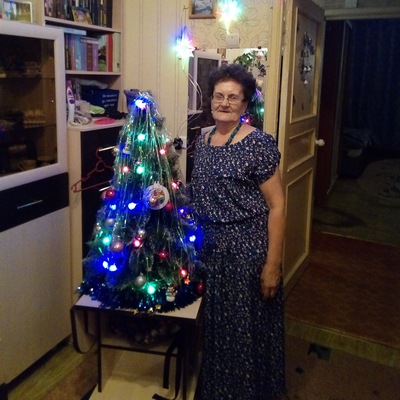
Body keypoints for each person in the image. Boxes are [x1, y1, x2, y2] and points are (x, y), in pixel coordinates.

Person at [191, 63, 286, 400]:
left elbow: (277, 206)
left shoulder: (258, 144)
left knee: (244, 332)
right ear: (210, 100)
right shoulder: (203, 139)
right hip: (209, 251)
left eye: (233, 97)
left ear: (245, 104)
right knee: (215, 330)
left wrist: (272, 265)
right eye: (219, 95)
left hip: (245, 254)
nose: (225, 102)